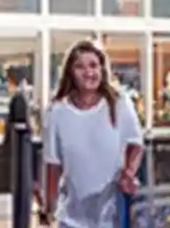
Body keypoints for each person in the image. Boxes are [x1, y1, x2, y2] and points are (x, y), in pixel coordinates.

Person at [39, 39, 144, 227]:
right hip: (71, 217)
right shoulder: (57, 112)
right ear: (70, 72)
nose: (89, 73)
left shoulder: (119, 104)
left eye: (94, 65)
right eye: (80, 67)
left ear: (102, 70)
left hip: (111, 214)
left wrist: (129, 172)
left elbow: (136, 144)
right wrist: (49, 208)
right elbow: (53, 167)